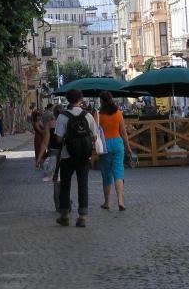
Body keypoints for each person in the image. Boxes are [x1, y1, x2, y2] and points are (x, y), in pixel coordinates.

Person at [54, 89, 97, 228]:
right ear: (81, 99)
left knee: (65, 185)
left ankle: (65, 215)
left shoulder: (62, 116)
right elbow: (94, 136)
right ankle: (82, 216)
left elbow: (59, 139)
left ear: (67, 99)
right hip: (84, 155)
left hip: (68, 155)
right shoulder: (88, 116)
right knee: (83, 184)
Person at [97, 91, 131, 211]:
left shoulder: (99, 115)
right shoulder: (118, 113)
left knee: (106, 175)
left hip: (104, 146)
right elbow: (123, 132)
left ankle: (107, 202)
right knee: (118, 172)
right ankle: (120, 201)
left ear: (101, 101)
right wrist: (128, 148)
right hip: (117, 143)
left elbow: (96, 132)